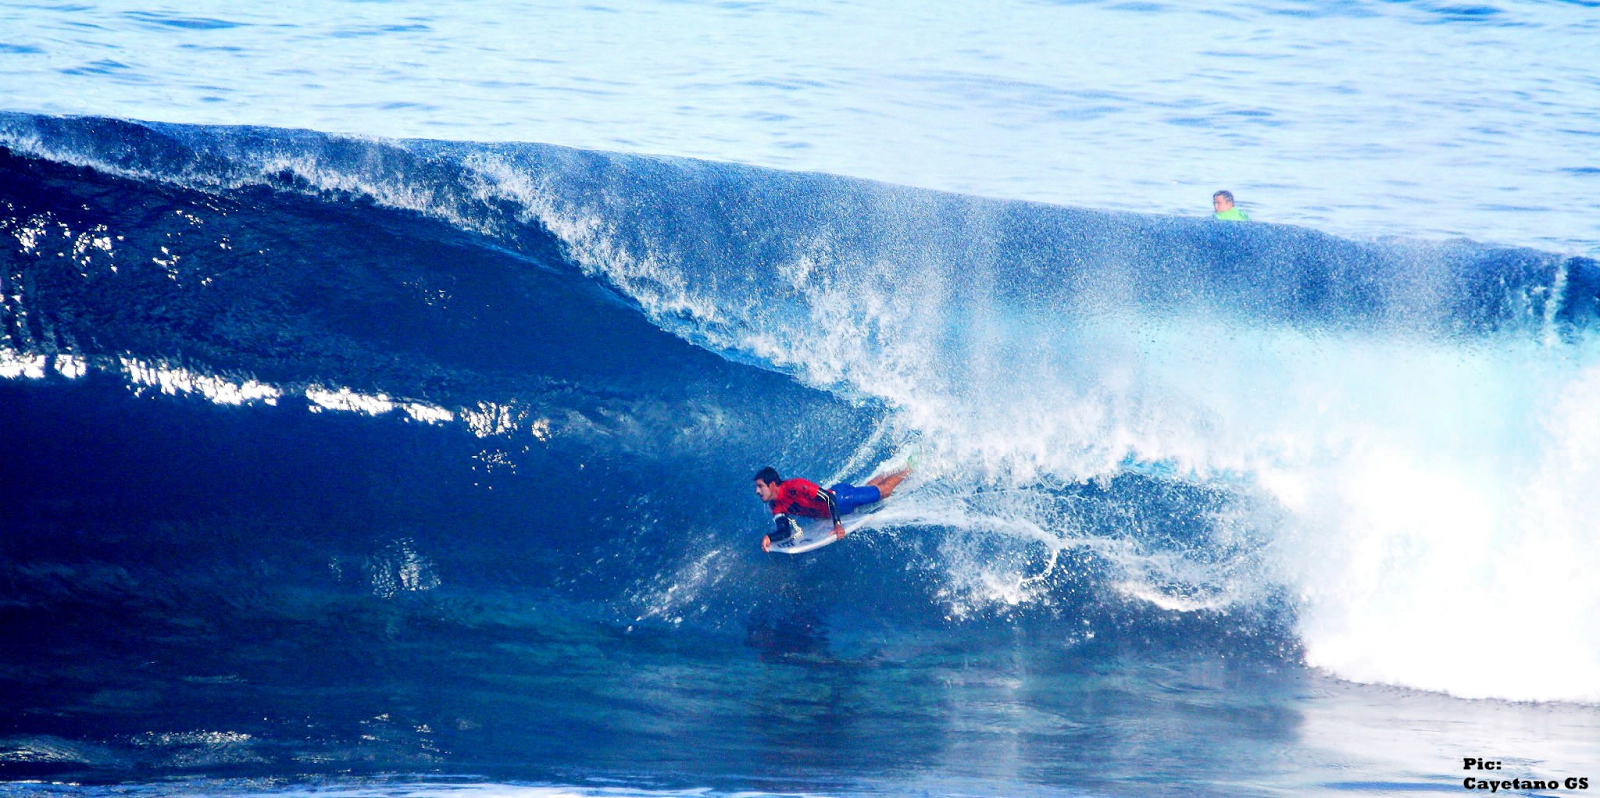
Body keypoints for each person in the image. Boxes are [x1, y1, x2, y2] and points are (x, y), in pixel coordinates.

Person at [754, 464, 911, 552]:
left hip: (843, 499)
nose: (757, 491)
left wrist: (837, 524)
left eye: (760, 486)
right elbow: (785, 530)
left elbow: (829, 498)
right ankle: (889, 471)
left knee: (884, 491)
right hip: (835, 505)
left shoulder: (796, 485)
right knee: (867, 490)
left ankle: (909, 467)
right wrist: (770, 537)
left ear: (772, 485)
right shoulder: (775, 505)